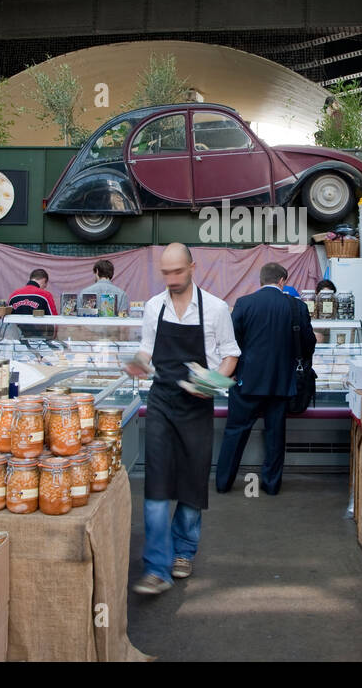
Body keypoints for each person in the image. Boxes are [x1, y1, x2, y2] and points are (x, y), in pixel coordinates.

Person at [125, 243, 239, 595]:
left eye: (177, 271)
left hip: (196, 404)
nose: (172, 279)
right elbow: (147, 348)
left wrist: (213, 381)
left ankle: (184, 550)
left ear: (192, 267)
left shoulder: (217, 309)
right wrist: (137, 363)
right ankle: (157, 567)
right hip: (161, 400)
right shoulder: (154, 307)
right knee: (157, 483)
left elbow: (230, 354)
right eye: (166, 273)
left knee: (191, 481)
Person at [216, 262, 315, 496]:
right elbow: (309, 343)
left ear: (261, 281)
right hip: (281, 383)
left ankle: (223, 482)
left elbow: (230, 343)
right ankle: (271, 485)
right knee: (275, 436)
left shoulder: (244, 303)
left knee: (235, 432)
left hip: (246, 381)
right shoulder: (296, 307)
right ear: (282, 281)